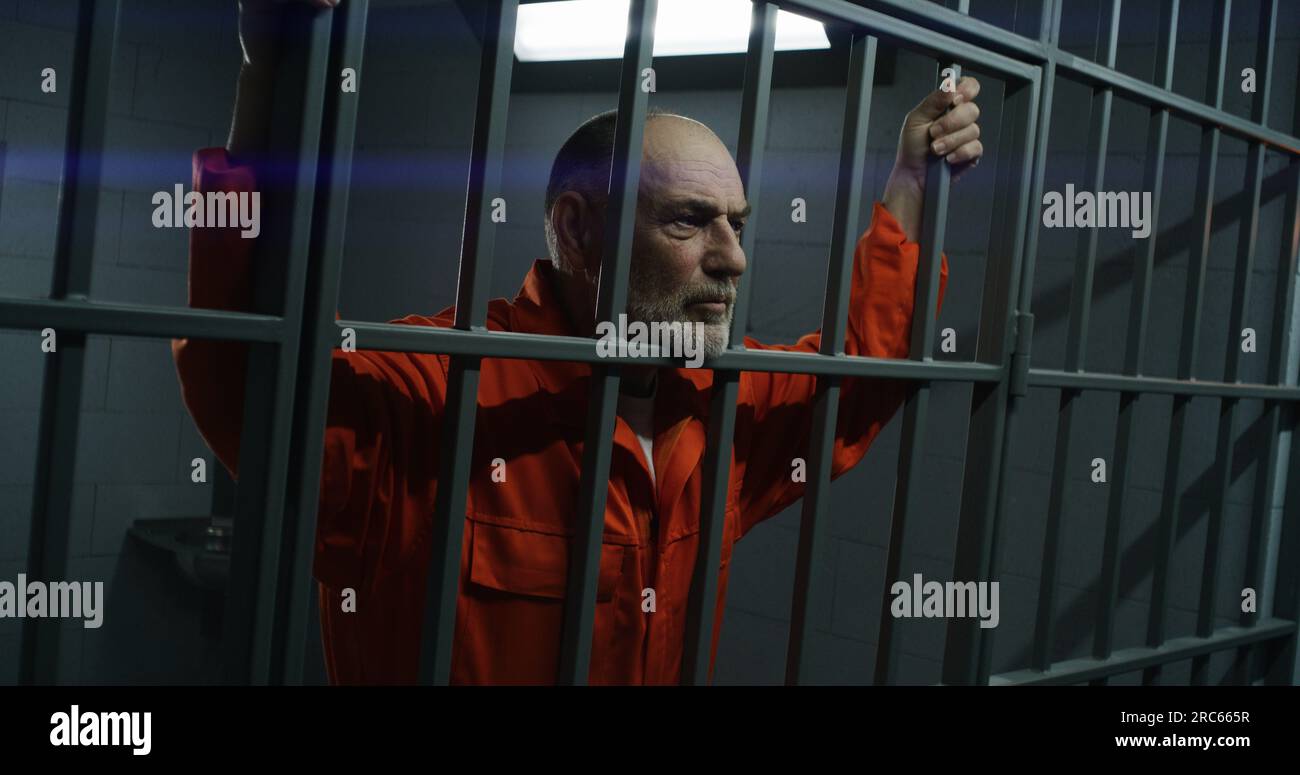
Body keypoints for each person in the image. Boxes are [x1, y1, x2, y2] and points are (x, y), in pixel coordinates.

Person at [173, 0, 983, 684]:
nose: (734, 258)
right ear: (576, 229)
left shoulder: (719, 407)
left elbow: (866, 369)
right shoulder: (440, 394)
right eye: (690, 221)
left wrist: (912, 180)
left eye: (737, 225)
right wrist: (268, 71)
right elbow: (246, 373)